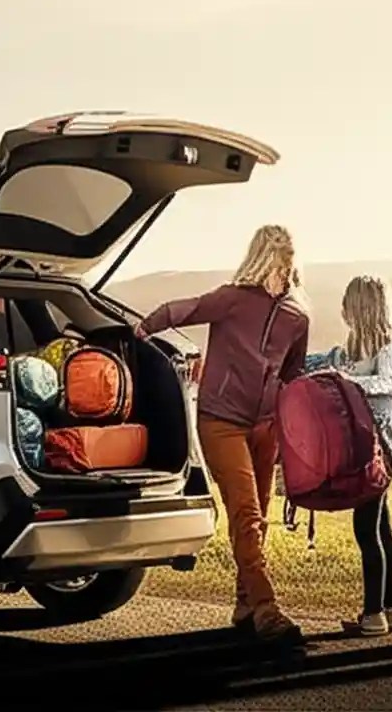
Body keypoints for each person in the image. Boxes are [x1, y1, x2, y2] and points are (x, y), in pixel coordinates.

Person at [135, 223, 310, 643]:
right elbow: (185, 310)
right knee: (246, 510)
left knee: (257, 514)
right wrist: (142, 331)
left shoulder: (298, 315)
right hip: (220, 420)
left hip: (265, 425)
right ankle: (267, 607)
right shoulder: (231, 300)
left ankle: (244, 605)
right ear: (262, 259)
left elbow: (293, 372)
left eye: (286, 261)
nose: (281, 270)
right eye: (276, 260)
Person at [318, 275, 392, 637]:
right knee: (382, 528)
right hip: (366, 450)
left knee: (366, 529)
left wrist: (343, 381)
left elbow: (387, 386)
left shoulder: (390, 349)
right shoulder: (356, 350)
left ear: (358, 309)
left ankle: (373, 614)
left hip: (379, 452)